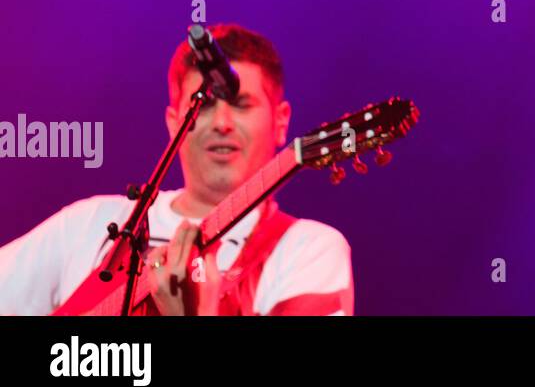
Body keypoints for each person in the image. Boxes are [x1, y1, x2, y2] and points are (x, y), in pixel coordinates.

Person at [0, 23, 354, 315]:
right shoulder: (88, 224)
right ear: (174, 123)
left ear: (281, 121)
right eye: (205, 106)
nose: (223, 122)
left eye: (241, 105)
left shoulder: (306, 250)